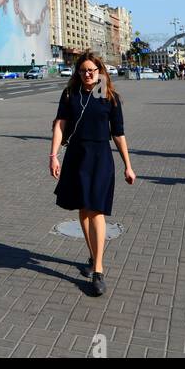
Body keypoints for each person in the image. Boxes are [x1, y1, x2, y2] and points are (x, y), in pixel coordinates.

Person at [50, 51, 134, 296]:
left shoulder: (109, 97)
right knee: (83, 211)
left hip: (100, 158)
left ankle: (98, 270)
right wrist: (53, 155)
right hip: (76, 157)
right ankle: (92, 255)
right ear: (78, 72)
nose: (88, 74)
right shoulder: (69, 95)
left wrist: (128, 165)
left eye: (92, 70)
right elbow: (60, 125)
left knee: (96, 209)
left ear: (100, 72)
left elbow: (118, 134)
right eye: (83, 70)